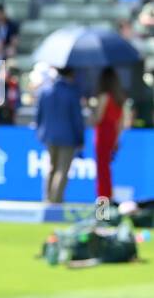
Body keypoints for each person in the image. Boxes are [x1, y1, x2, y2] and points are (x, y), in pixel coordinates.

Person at [34, 66, 85, 203]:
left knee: (51, 168)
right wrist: (80, 138)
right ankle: (56, 201)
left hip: (49, 136)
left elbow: (38, 116)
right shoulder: (71, 92)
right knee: (62, 170)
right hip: (68, 137)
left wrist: (40, 133)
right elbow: (77, 119)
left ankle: (47, 199)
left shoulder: (45, 90)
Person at [92, 67, 127, 202]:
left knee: (102, 173)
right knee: (106, 172)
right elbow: (121, 122)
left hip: (102, 136)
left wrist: (92, 110)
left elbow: (98, 118)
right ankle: (107, 205)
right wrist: (116, 140)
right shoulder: (119, 98)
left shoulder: (104, 97)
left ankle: (102, 211)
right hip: (112, 137)